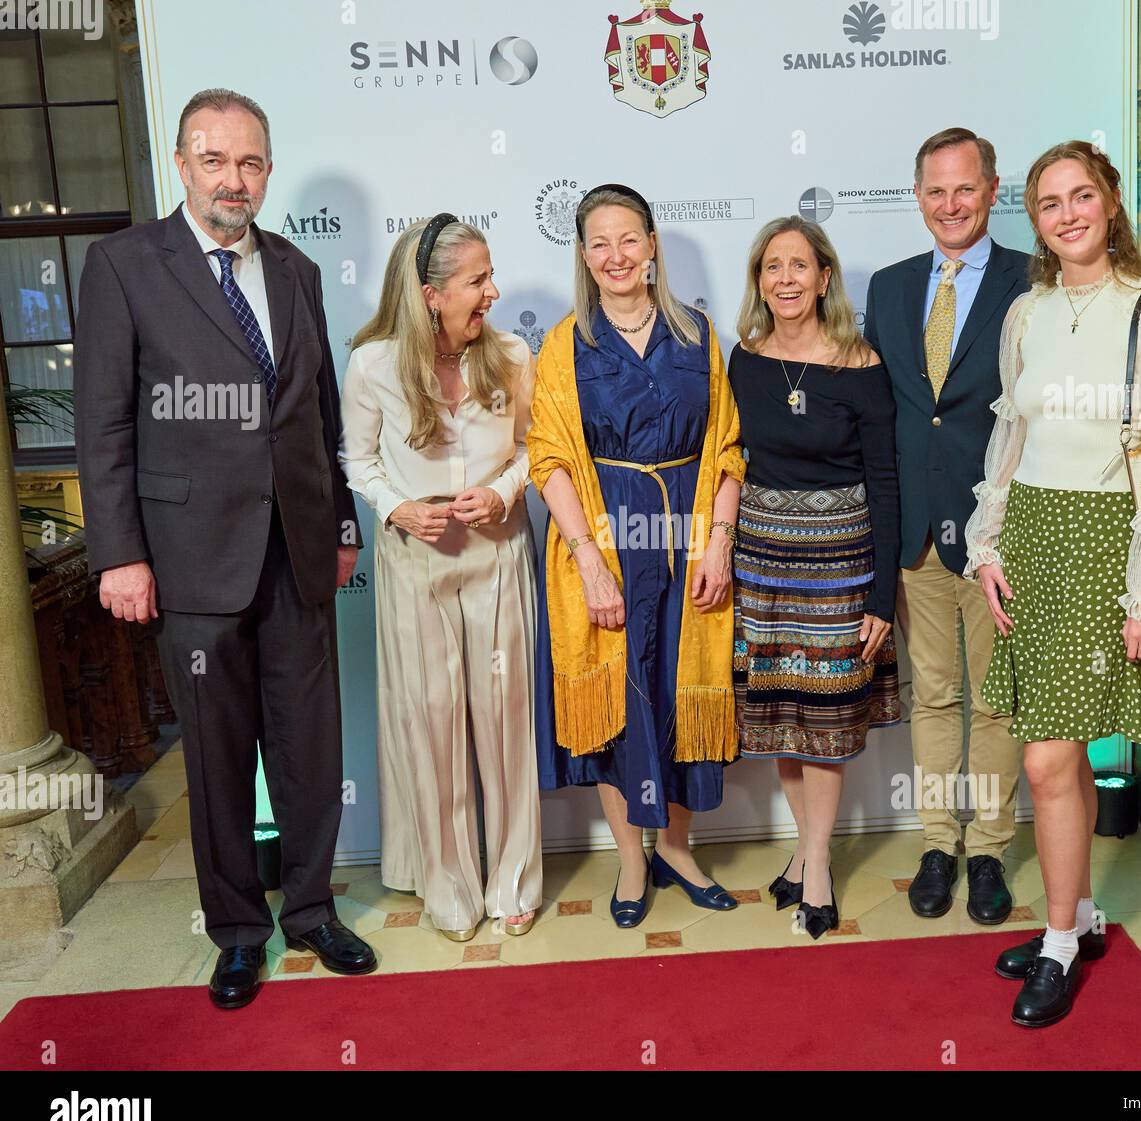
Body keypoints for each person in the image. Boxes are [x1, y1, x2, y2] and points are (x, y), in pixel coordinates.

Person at [73, 88, 376, 1010]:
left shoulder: (295, 268)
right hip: (189, 554)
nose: (233, 180)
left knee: (310, 744)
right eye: (215, 161)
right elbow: (104, 422)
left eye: (249, 163)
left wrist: (342, 525)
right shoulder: (124, 264)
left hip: (297, 549)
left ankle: (313, 907)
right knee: (214, 753)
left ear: (268, 170)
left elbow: (318, 412)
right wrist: (118, 553)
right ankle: (238, 929)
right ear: (182, 164)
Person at [966, 141, 1141, 1026]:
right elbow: (1012, 439)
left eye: (1081, 195)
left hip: (1105, 540)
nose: (1067, 213)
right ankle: (1077, 918)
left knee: (1046, 758)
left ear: (1110, 202)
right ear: (1033, 220)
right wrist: (988, 543)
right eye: (1048, 203)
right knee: (1051, 750)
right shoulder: (1027, 311)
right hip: (1032, 534)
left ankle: (1062, 941)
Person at [528, 183, 744, 928]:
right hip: (608, 533)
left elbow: (726, 448)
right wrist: (587, 558)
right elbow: (549, 456)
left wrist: (719, 541)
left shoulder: (699, 336)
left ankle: (677, 849)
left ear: (653, 244)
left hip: (688, 536)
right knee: (618, 702)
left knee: (684, 694)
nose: (616, 256)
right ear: (584, 256)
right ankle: (629, 858)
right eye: (599, 243)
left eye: (629, 239)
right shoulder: (564, 344)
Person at [339, 216, 542, 942]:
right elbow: (356, 459)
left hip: (497, 554)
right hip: (416, 563)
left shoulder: (514, 354)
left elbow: (532, 451)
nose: (493, 290)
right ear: (430, 294)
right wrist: (397, 508)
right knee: (432, 722)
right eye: (477, 280)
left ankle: (514, 877)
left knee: (506, 720)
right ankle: (449, 884)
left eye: (490, 275)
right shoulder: (373, 365)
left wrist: (503, 492)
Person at [862, 127, 1032, 925]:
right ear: (918, 196)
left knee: (995, 702)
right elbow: (897, 415)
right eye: (936, 190)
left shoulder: (1033, 283)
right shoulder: (890, 289)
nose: (950, 204)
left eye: (965, 189)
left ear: (993, 190)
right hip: (917, 537)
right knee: (933, 696)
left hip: (999, 535)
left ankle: (992, 849)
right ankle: (938, 842)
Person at [730, 217, 902, 939]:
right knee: (783, 718)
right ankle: (804, 855)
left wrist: (881, 595)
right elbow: (734, 459)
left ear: (825, 277)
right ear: (759, 280)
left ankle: (819, 866)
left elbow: (886, 481)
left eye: (800, 265)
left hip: (840, 565)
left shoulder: (859, 365)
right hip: (763, 564)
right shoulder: (743, 359)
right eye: (774, 266)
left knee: (826, 722)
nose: (787, 279)